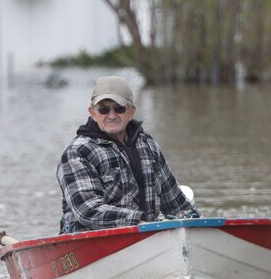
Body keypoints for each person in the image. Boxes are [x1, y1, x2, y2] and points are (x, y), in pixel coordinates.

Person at [58, 76, 199, 234]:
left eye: (119, 108)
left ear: (132, 111)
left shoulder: (148, 145)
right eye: (104, 109)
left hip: (148, 237)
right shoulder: (77, 152)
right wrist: (138, 222)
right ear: (92, 113)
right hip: (89, 244)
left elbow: (175, 202)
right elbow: (87, 210)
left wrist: (199, 226)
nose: (112, 115)